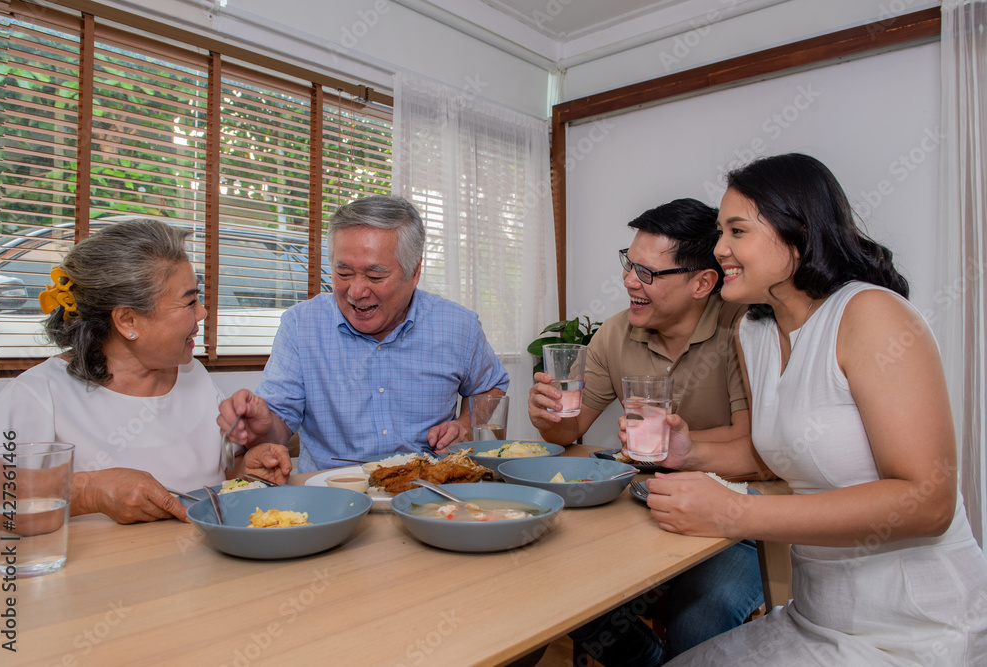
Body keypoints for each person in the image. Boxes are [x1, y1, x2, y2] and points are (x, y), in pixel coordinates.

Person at [648, 154, 987, 665]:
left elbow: (929, 501)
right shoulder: (753, 330)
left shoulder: (871, 314)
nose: (719, 249)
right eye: (721, 232)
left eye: (736, 231)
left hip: (919, 629)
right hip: (816, 619)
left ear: (799, 231)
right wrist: (691, 451)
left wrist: (737, 513)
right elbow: (779, 450)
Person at [527, 199, 763, 665]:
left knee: (700, 615)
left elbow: (755, 449)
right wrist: (547, 415)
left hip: (740, 517)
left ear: (702, 282)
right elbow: (568, 432)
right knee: (561, 584)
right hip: (646, 506)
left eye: (648, 273)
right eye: (629, 264)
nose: (629, 280)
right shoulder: (614, 335)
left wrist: (675, 448)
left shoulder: (742, 329)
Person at [0, 219, 290, 525]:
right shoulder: (39, 396)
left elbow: (218, 481)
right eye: (189, 301)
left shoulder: (193, 376)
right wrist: (88, 492)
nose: (202, 312)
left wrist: (247, 473)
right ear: (128, 321)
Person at [220, 195, 509, 471]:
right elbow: (276, 430)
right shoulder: (300, 326)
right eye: (343, 274)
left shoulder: (458, 326)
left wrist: (466, 424)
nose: (356, 291)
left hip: (429, 494)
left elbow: (490, 389)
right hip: (332, 500)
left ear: (415, 271)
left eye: (375, 276)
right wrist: (261, 427)